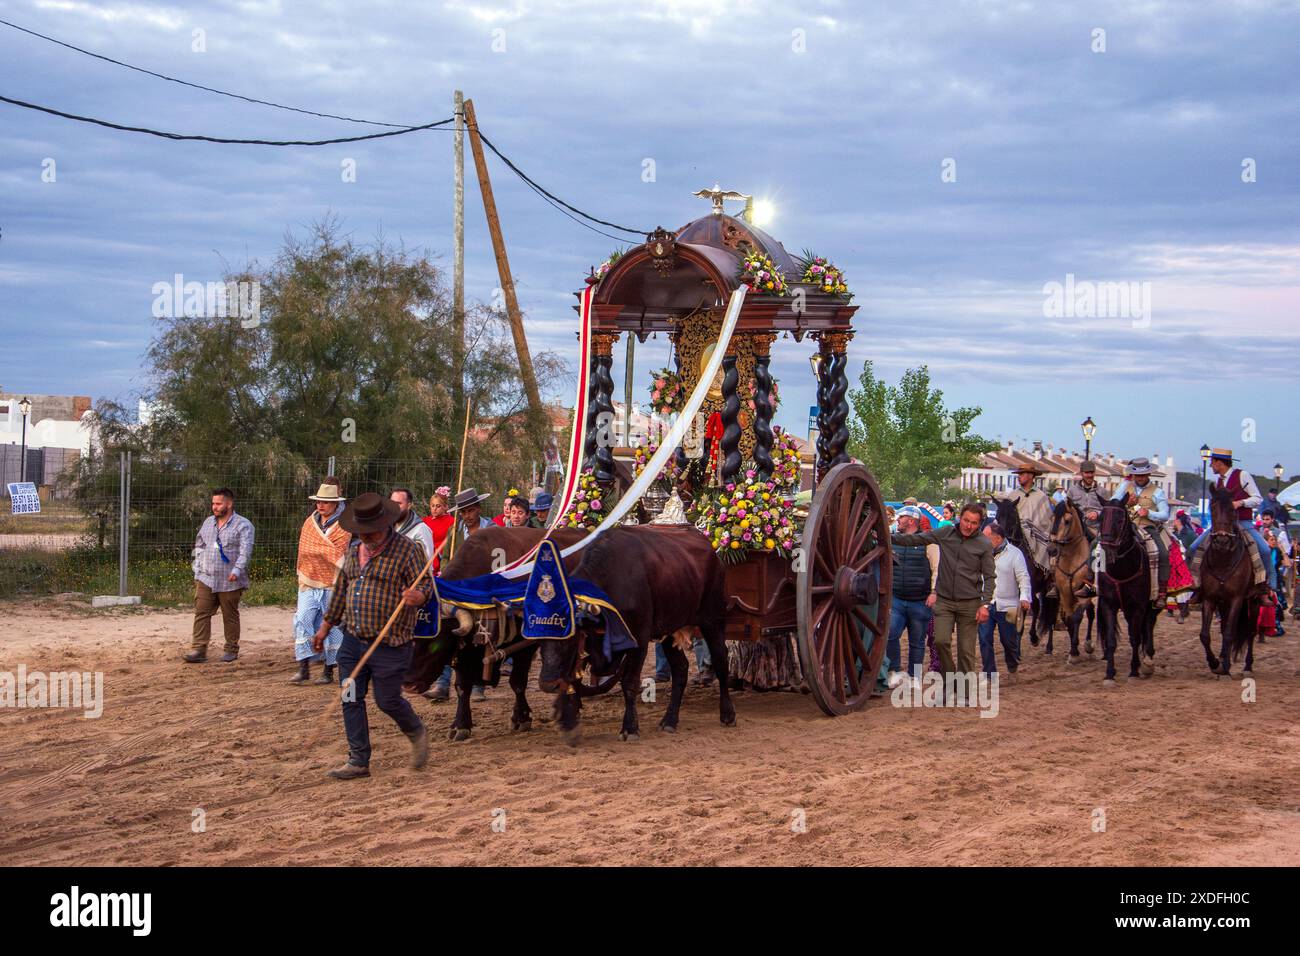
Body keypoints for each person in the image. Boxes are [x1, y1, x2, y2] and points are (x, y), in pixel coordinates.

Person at [312, 492, 433, 780]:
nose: (365, 537)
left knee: (387, 700)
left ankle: (416, 732)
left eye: (370, 532)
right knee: (350, 697)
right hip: (353, 640)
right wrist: (326, 626)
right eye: (361, 532)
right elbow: (341, 590)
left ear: (385, 525)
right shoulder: (354, 552)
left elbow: (426, 584)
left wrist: (419, 596)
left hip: (390, 643)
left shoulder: (408, 550)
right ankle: (358, 759)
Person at [890, 502, 995, 682]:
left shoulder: (984, 544)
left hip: (970, 603)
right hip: (945, 601)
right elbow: (916, 539)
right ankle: (950, 678)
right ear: (959, 518)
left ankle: (963, 691)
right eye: (966, 520)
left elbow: (990, 577)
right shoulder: (945, 533)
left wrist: (985, 604)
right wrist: (888, 537)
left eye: (974, 523)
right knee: (940, 642)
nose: (969, 526)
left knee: (966, 650)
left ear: (979, 524)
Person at [427, 487, 493, 702]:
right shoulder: (454, 532)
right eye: (463, 512)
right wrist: (447, 578)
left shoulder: (492, 530)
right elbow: (446, 559)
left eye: (471, 511)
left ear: (479, 509)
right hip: (459, 589)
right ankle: (442, 683)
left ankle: (478, 684)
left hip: (486, 588)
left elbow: (499, 561)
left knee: (484, 632)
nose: (467, 516)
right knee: (446, 629)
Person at [1186, 449, 1276, 595]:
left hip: (1243, 522)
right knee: (1193, 547)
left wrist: (1240, 503)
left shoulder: (1243, 475)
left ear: (1219, 463)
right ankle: (1195, 583)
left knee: (1265, 551)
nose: (1210, 466)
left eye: (1212, 463)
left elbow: (1257, 499)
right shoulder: (1218, 481)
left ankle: (1267, 587)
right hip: (1222, 524)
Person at [184, 488, 255, 664]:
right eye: (213, 503)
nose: (214, 507)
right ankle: (199, 649)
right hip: (206, 578)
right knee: (201, 612)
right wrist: (197, 570)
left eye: (218, 503)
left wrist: (237, 570)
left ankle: (231, 649)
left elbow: (245, 552)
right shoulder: (208, 522)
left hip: (230, 581)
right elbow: (199, 544)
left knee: (229, 615)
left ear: (229, 504)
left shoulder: (243, 525)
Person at [290, 478, 349, 685]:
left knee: (331, 623)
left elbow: (340, 552)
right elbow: (305, 549)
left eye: (325, 502)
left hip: (333, 582)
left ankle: (328, 670)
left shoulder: (344, 524)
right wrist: (322, 552)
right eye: (318, 501)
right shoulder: (310, 522)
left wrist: (320, 552)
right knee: (303, 618)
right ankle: (303, 666)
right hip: (309, 579)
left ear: (335, 503)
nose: (320, 505)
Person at [886, 505, 938, 688]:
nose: (898, 520)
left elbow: (937, 568)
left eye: (901, 517)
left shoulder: (929, 543)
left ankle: (914, 677)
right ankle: (895, 671)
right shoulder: (894, 540)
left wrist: (934, 592)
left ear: (911, 521)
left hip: (920, 600)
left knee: (917, 641)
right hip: (897, 598)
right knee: (891, 635)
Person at [1110, 458, 1170, 606]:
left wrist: (1149, 513)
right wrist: (1126, 502)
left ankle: (1161, 591)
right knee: (1098, 546)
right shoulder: (1125, 487)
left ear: (1148, 474)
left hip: (1147, 527)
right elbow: (1113, 502)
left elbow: (1165, 514)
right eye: (1138, 475)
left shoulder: (1157, 492)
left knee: (1162, 553)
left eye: (1143, 475)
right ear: (1133, 475)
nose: (1140, 478)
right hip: (1125, 528)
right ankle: (1093, 582)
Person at [979, 521, 1030, 677]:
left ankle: (1012, 661)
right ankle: (989, 672)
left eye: (986, 537)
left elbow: (1023, 576)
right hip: (986, 604)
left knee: (1008, 641)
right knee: (984, 638)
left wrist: (1025, 597)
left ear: (998, 538)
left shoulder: (1015, 553)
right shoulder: (980, 554)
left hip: (1009, 605)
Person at [994, 463, 1054, 573]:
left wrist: (1031, 526)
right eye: (1019, 474)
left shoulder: (1042, 496)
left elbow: (1047, 520)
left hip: (1037, 536)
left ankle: (1049, 578)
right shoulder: (1012, 495)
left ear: (1031, 476)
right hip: (1014, 535)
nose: (1019, 476)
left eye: (1022, 474)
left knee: (1050, 553)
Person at [1065, 460, 1107, 541]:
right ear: (1081, 473)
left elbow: (1108, 511)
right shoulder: (1072, 491)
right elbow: (1067, 509)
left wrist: (1097, 513)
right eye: (1087, 473)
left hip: (1096, 529)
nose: (1090, 475)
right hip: (1076, 529)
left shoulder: (1102, 491)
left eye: (1092, 472)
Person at [391, 487, 435, 559]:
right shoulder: (386, 527)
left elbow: (427, 562)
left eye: (399, 503)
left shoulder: (421, 530)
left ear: (409, 505)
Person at [423, 487, 454, 573]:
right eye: (432, 506)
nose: (434, 509)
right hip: (426, 557)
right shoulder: (425, 521)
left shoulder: (452, 521)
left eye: (438, 506)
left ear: (445, 507)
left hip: (442, 558)